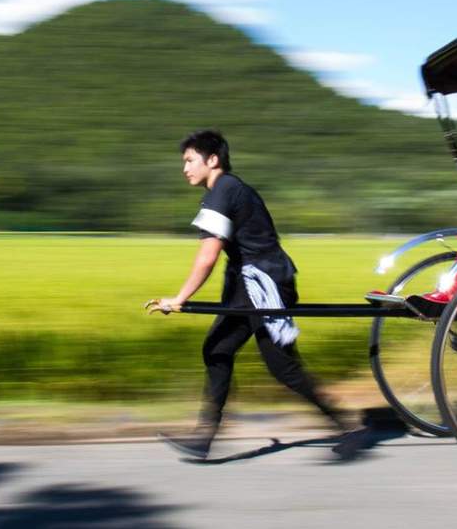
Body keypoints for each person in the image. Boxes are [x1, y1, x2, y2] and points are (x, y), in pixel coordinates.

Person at [147, 129, 357, 459]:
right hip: (251, 281)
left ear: (212, 160)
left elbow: (208, 256)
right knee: (219, 349)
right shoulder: (224, 190)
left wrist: (179, 298)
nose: (184, 168)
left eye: (189, 161)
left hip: (263, 283)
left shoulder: (223, 190)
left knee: (281, 367)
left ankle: (343, 422)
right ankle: (205, 435)